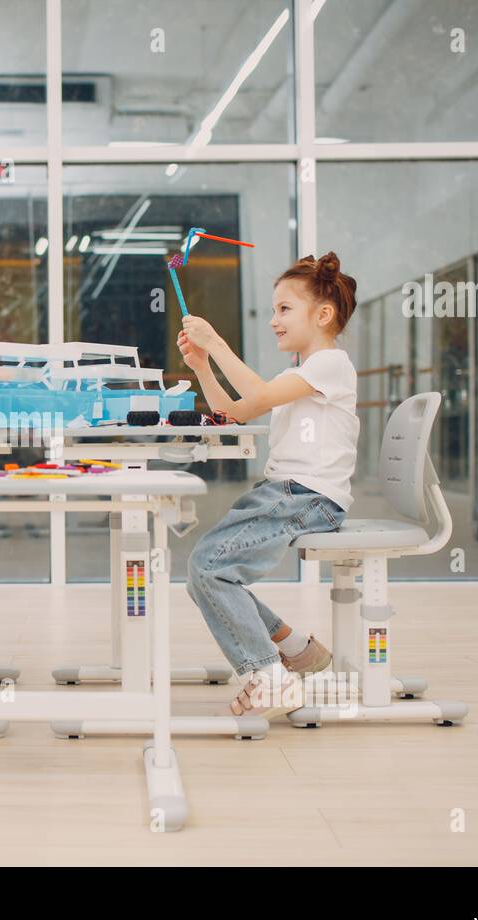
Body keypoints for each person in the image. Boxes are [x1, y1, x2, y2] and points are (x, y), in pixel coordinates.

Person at [177, 251, 359, 719]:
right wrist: (202, 366)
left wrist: (215, 341)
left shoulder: (331, 364)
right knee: (206, 577)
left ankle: (270, 678)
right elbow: (237, 411)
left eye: (284, 309)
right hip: (286, 492)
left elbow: (253, 398)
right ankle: (296, 650)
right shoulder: (301, 373)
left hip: (307, 496)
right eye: (274, 310)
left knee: (210, 568)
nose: (274, 320)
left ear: (323, 315)